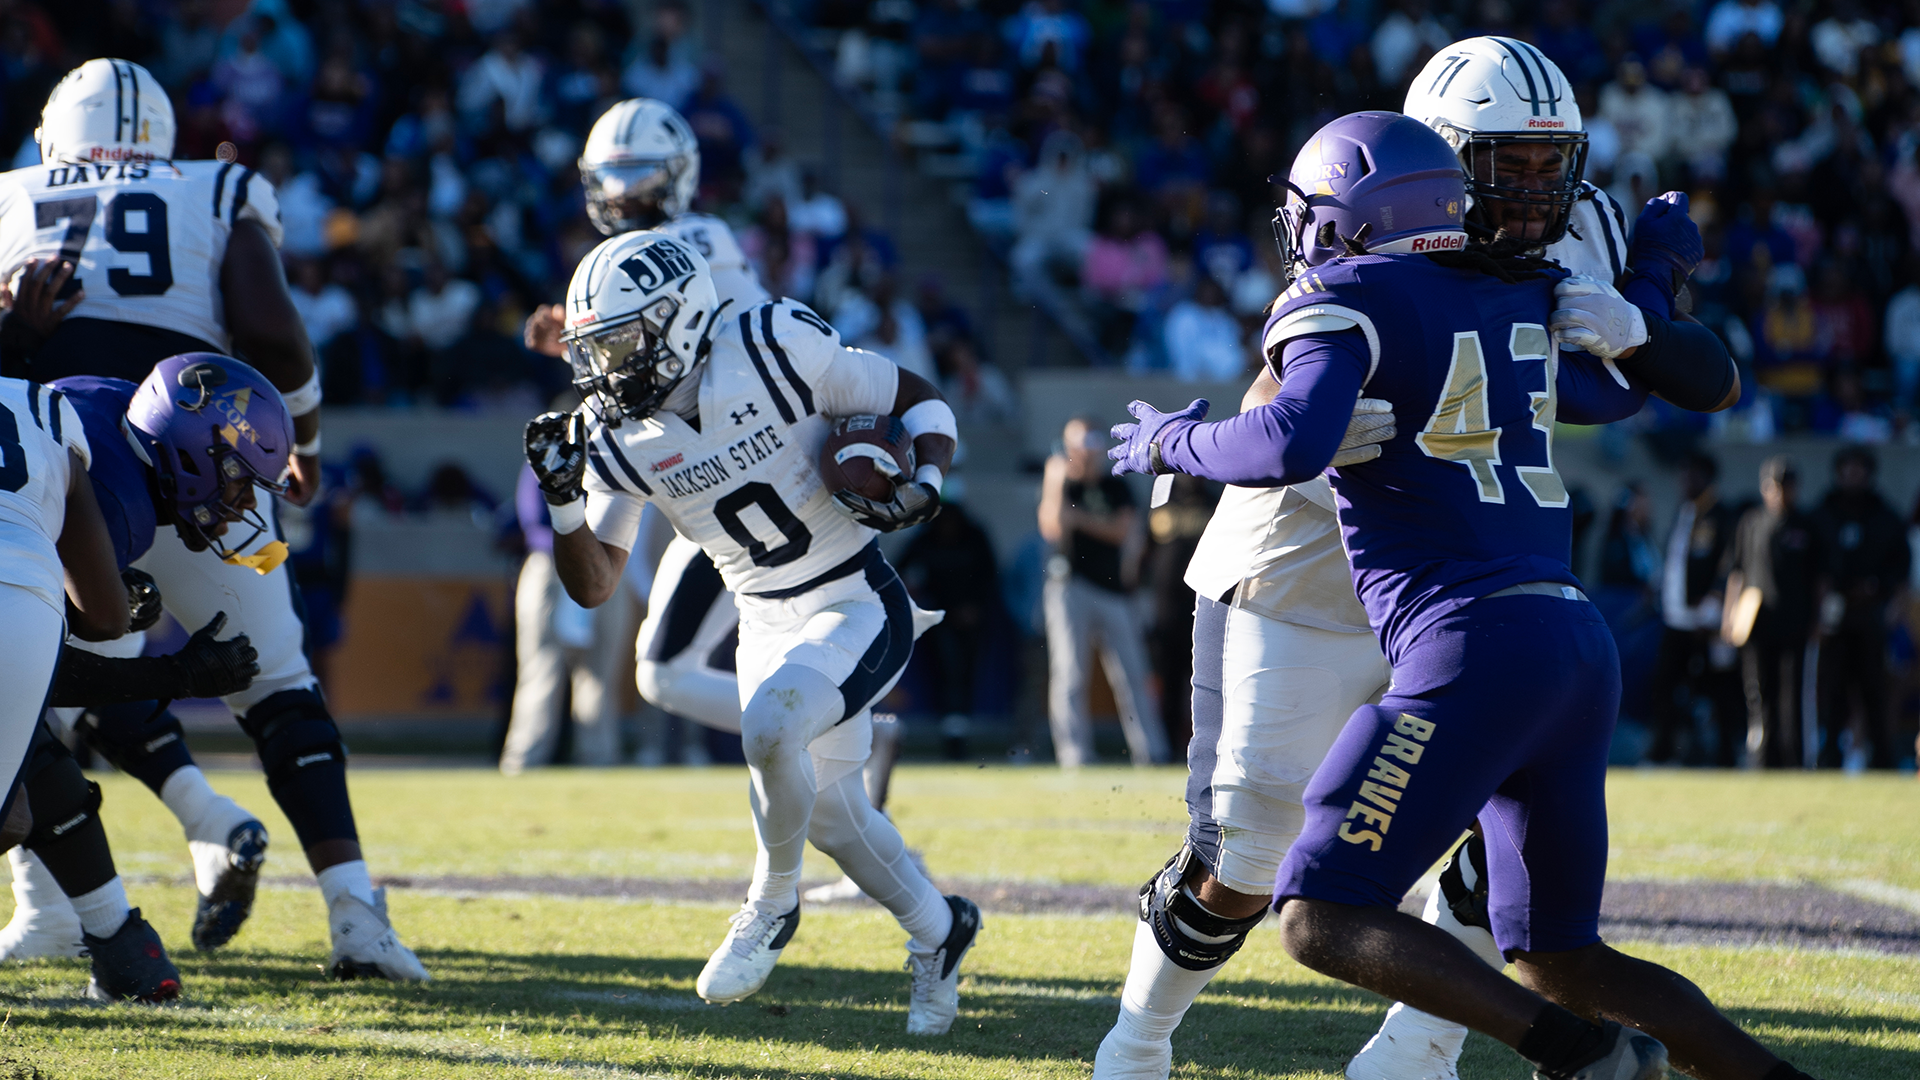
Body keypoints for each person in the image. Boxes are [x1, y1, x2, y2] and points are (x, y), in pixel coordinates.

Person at [1112, 110, 1817, 1080]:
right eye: (1507, 164)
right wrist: (1652, 285)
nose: (1531, 187)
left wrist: (1168, 440)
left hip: (1464, 639)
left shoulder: (1348, 291)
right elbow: (1615, 391)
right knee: (1560, 956)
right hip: (1559, 634)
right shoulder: (1518, 291)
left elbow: (1290, 438)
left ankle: (1569, 1053)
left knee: (1318, 913)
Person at [0, 60, 426, 982]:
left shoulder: (9, 196)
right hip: (209, 459)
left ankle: (57, 909)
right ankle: (354, 913)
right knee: (279, 686)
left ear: (53, 133)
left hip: (48, 468)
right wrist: (303, 439)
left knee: (35, 687)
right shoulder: (213, 186)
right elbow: (271, 331)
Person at [524, 230, 978, 1033]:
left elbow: (920, 399)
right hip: (762, 621)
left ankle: (770, 903)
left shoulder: (772, 347)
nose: (605, 370)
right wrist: (563, 504)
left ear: (678, 320)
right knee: (834, 819)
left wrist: (928, 481)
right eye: (595, 351)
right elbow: (595, 585)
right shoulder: (619, 434)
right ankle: (941, 931)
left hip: (855, 598)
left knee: (770, 727)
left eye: (620, 345)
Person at [1038, 416, 1167, 768]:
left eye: (1090, 443)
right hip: (1070, 587)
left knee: (1133, 674)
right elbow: (1052, 528)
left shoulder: (1116, 484)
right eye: (1077, 444)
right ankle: (1074, 755)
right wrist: (1054, 482)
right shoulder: (1063, 485)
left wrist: (1080, 520)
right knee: (1070, 674)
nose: (1085, 451)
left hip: (1113, 590)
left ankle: (1151, 752)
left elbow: (1121, 532)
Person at [1724, 456, 1826, 769]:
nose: (1780, 493)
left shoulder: (1807, 525)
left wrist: (1818, 619)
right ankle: (1761, 758)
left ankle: (1795, 759)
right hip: (1757, 623)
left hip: (1795, 623)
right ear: (1764, 487)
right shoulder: (1751, 522)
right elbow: (1737, 572)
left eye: (1787, 486)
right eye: (1774, 486)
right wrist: (1729, 617)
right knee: (1758, 692)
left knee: (1792, 695)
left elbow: (1821, 578)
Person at [1810, 447, 1907, 770]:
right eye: (1847, 468)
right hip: (1834, 615)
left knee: (1874, 690)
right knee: (1832, 690)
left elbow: (1900, 568)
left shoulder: (1885, 515)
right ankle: (1829, 758)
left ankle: (1881, 760)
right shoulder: (1823, 513)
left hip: (1870, 616)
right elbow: (1812, 565)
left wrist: (1883, 595)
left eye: (1859, 469)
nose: (1853, 475)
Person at [1648, 452, 1745, 766]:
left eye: (1691, 474)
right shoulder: (1684, 512)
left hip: (1705, 620)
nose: (1684, 481)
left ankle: (1726, 755)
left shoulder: (1721, 515)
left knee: (1719, 689)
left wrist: (1714, 603)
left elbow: (1729, 562)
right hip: (1676, 617)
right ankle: (1663, 752)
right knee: (1665, 685)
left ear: (1706, 477)